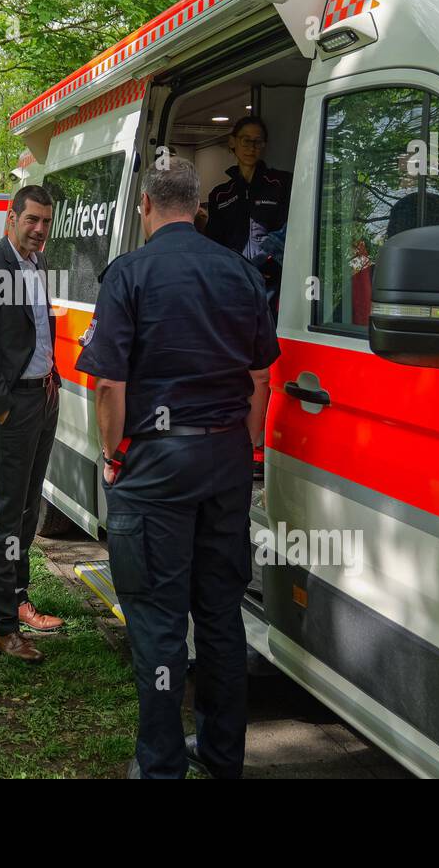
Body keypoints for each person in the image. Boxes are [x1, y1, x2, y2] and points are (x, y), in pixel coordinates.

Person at [76, 157, 278, 779]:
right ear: (197, 207)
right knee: (220, 615)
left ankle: (160, 764)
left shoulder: (128, 274)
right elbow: (261, 375)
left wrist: (113, 456)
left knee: (159, 623)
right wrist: (247, 452)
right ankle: (222, 755)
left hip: (154, 467)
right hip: (222, 461)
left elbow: (110, 384)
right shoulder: (240, 272)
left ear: (144, 207)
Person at [0, 184, 65, 663]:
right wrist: (1, 407)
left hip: (44, 399)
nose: (40, 229)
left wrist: (53, 380)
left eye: (46, 221)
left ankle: (20, 598)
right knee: (6, 513)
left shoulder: (37, 263)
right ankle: (3, 627)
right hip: (14, 408)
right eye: (32, 220)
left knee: (28, 509)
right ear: (12, 220)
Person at [200, 116, 292, 302]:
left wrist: (267, 264)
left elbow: (290, 229)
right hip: (233, 282)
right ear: (233, 142)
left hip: (274, 283)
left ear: (264, 145)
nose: (252, 147)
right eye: (246, 140)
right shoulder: (220, 194)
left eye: (258, 142)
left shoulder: (281, 183)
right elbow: (214, 242)